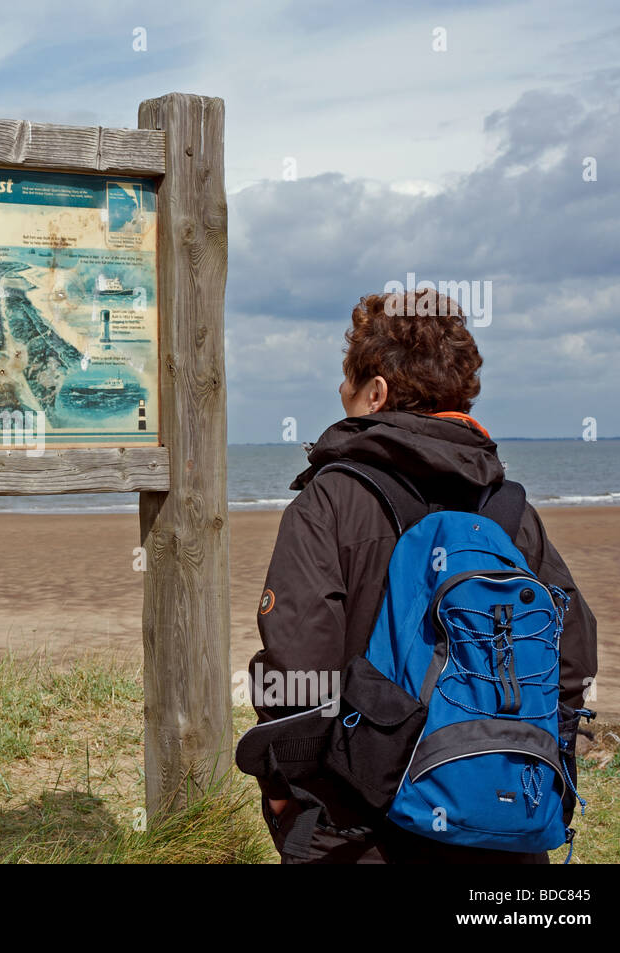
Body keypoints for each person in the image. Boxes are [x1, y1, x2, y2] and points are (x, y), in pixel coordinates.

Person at [249, 288, 598, 863]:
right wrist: (523, 777)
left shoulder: (331, 499)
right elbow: (574, 655)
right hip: (502, 825)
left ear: (376, 391)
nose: (340, 394)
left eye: (348, 382)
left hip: (357, 827)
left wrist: (287, 794)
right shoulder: (508, 511)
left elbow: (298, 665)